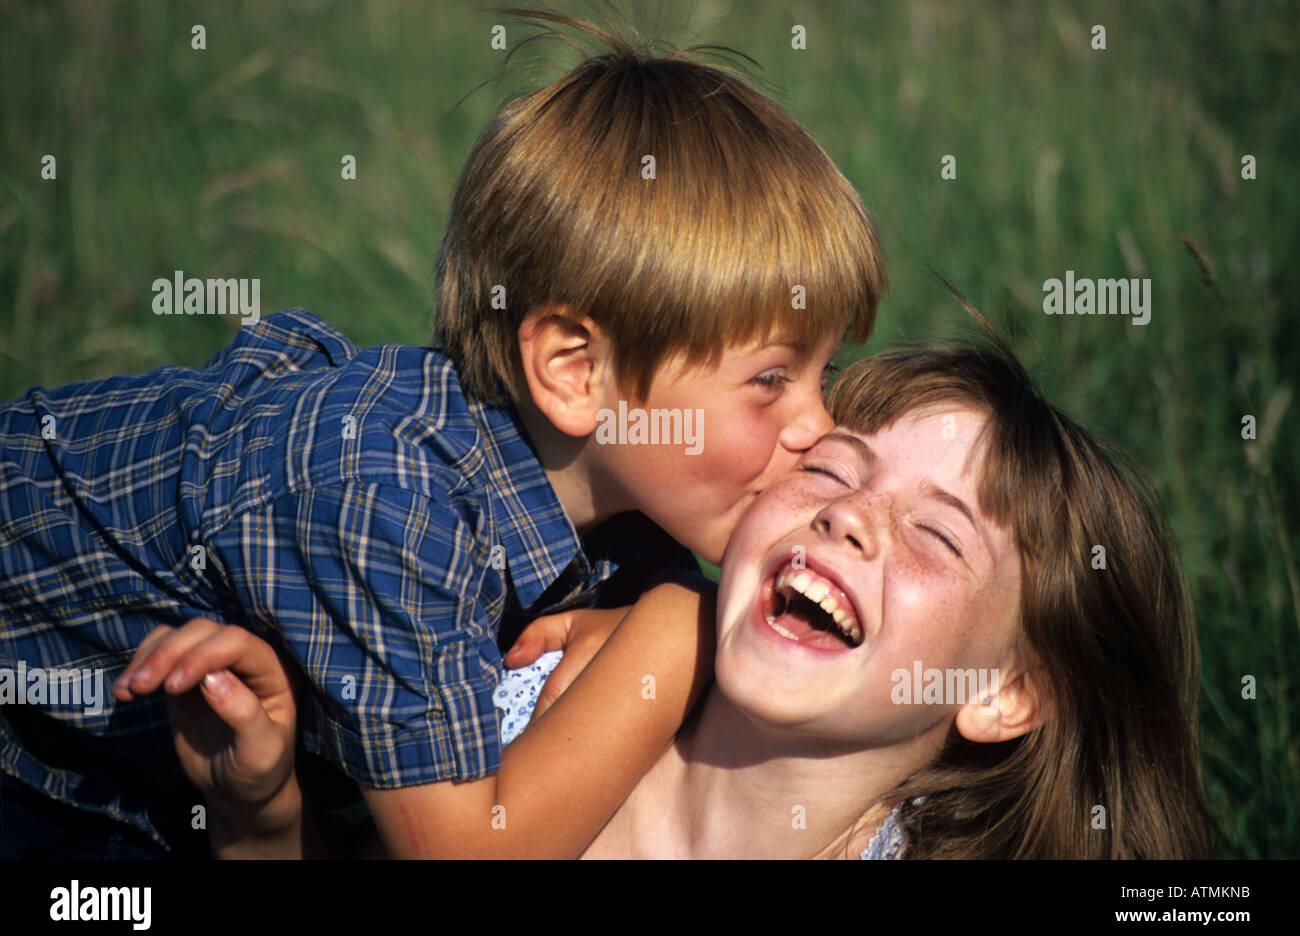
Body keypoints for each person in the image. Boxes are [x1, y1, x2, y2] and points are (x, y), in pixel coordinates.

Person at [0, 9, 887, 859]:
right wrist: (672, 629)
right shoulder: (388, 497)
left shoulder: (629, 511)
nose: (817, 425)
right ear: (576, 373)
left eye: (824, 375)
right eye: (771, 380)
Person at [140, 331, 1214, 858]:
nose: (848, 515)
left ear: (1005, 691)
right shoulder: (520, 696)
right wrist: (260, 820)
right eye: (828, 469)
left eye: (933, 532)